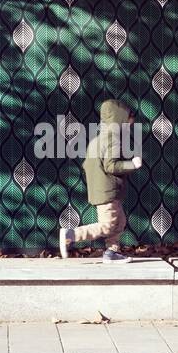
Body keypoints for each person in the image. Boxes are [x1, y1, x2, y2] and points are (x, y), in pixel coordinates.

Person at [58, 98, 143, 263]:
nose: (129, 128)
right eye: (128, 124)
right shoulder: (112, 139)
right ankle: (70, 235)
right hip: (107, 190)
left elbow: (89, 164)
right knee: (107, 225)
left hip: (105, 188)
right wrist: (131, 164)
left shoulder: (100, 139)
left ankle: (111, 253)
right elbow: (111, 166)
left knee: (119, 221)